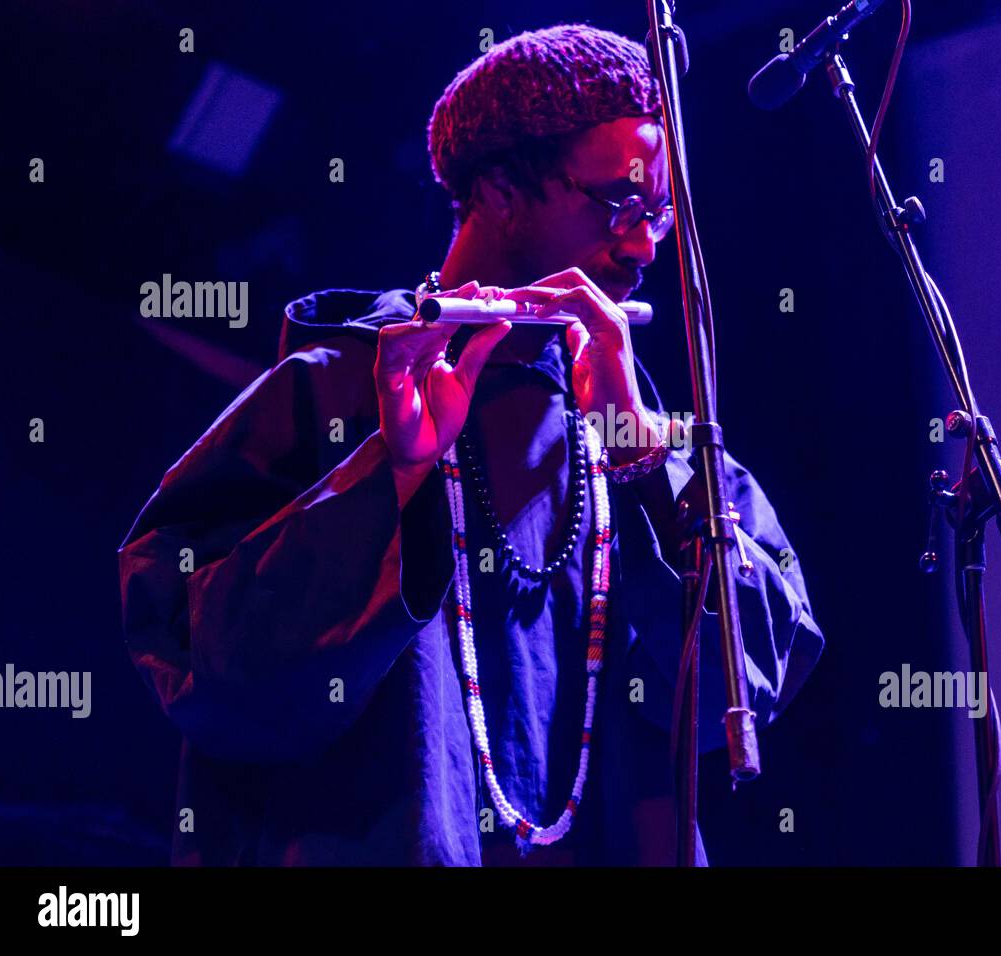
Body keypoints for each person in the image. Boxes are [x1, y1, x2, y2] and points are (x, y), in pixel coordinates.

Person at [117, 23, 822, 867]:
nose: (642, 246)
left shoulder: (650, 431)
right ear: (497, 191)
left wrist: (639, 461)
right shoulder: (334, 387)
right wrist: (392, 474)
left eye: (661, 216)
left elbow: (733, 703)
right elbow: (204, 670)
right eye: (618, 206)